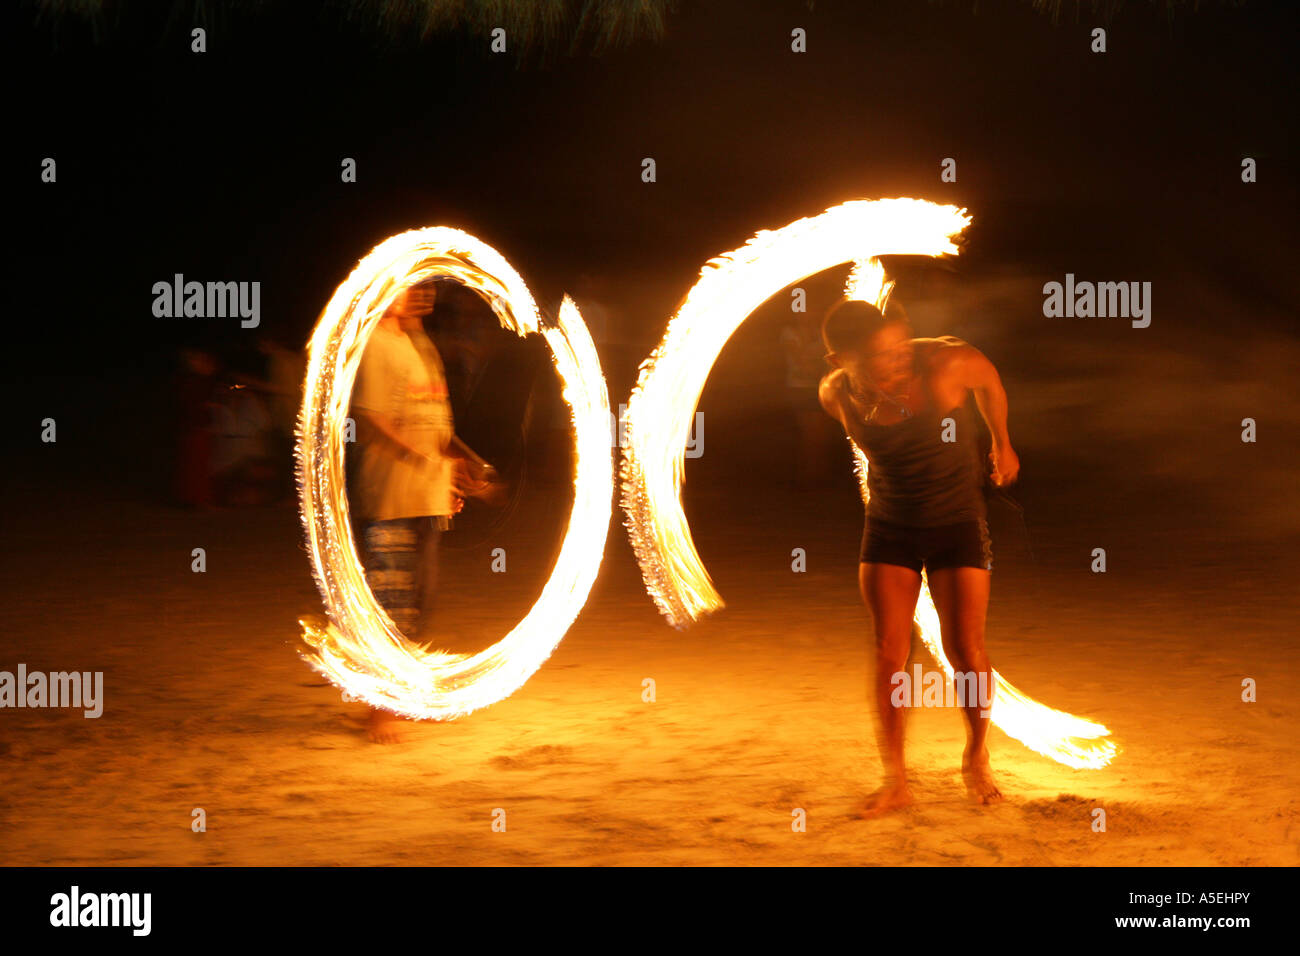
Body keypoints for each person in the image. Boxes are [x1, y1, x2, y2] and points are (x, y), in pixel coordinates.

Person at [817, 297, 1020, 817]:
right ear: (842, 361)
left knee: (965, 649)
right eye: (880, 356)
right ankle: (896, 781)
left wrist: (1001, 442)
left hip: (957, 521)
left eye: (901, 347)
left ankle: (976, 756)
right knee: (889, 650)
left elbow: (990, 382)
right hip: (891, 525)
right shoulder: (835, 394)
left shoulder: (947, 363)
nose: (898, 360)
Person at [351, 281, 499, 743]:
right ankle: (379, 710)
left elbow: (436, 424)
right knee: (391, 600)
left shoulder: (423, 347)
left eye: (428, 285)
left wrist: (464, 463)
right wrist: (426, 463)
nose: (422, 293)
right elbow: (371, 421)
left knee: (420, 601)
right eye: (411, 286)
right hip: (392, 497)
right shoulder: (377, 344)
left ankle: (407, 699)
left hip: (428, 497)